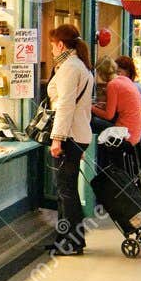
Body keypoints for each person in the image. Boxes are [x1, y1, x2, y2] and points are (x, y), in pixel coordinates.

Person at [46, 23, 93, 255]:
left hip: (68, 136)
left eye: (53, 45)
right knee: (65, 190)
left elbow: (65, 105)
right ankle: (63, 238)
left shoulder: (69, 68)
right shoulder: (80, 66)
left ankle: (73, 241)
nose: (52, 50)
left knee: (66, 191)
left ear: (61, 44)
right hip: (77, 135)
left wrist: (57, 139)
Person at [92, 56, 141, 147]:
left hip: (125, 132)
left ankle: (96, 157)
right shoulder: (125, 80)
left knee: (92, 121)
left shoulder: (113, 85)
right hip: (135, 131)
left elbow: (109, 116)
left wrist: (91, 108)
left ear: (101, 73)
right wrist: (103, 106)